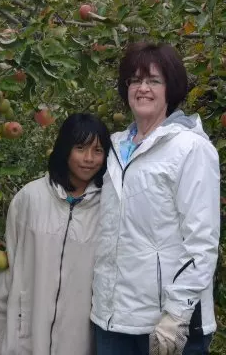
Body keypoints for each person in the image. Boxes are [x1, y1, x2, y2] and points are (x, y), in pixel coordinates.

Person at [91, 42, 220, 355]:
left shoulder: (190, 149)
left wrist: (176, 315)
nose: (142, 88)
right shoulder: (115, 147)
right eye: (134, 80)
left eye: (153, 80)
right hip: (112, 317)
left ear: (170, 88)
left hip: (166, 321)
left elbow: (202, 241)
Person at [0, 113, 111, 355]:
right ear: (65, 150)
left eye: (97, 150)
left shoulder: (109, 207)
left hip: (80, 337)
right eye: (80, 148)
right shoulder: (30, 198)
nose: (88, 159)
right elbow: (12, 263)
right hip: (26, 332)